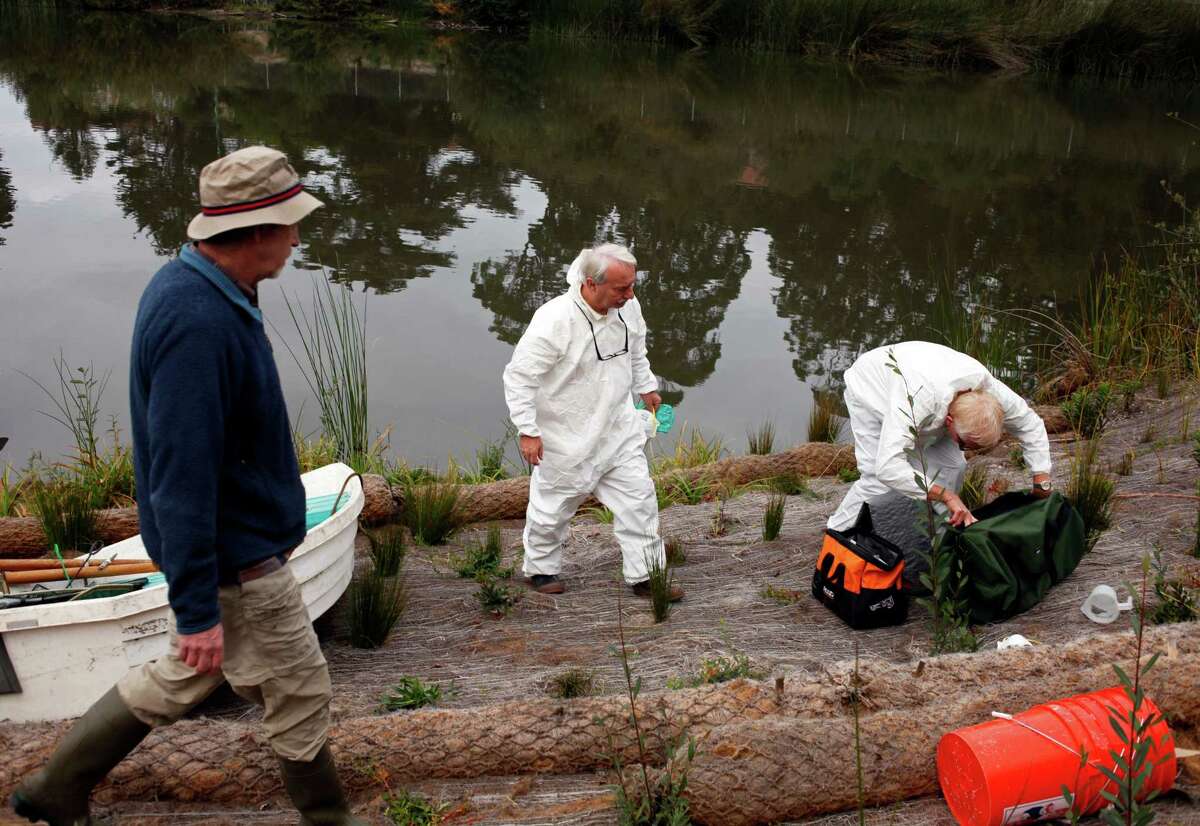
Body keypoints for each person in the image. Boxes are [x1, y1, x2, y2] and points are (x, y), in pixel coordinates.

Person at [11, 146, 364, 826]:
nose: (297, 236)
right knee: (298, 693)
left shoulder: (204, 288)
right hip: (241, 559)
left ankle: (55, 788)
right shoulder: (197, 323)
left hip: (232, 549)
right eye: (289, 224)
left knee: (186, 675)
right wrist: (197, 605)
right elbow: (180, 476)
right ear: (255, 230)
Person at [503, 243, 684, 600]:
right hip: (565, 436)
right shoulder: (554, 320)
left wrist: (647, 388)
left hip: (618, 429)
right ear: (590, 283)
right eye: (621, 288)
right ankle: (540, 569)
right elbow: (519, 377)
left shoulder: (628, 308)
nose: (630, 294)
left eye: (632, 286)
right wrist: (528, 430)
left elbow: (636, 350)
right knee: (552, 509)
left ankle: (646, 575)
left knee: (639, 501)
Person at [826, 340, 1053, 531]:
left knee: (955, 465)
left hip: (930, 385)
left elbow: (1030, 424)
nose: (967, 450)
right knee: (876, 480)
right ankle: (837, 531)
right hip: (872, 388)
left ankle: (939, 528)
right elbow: (888, 467)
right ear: (949, 421)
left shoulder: (991, 394)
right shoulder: (917, 399)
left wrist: (1041, 479)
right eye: (964, 444)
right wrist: (946, 495)